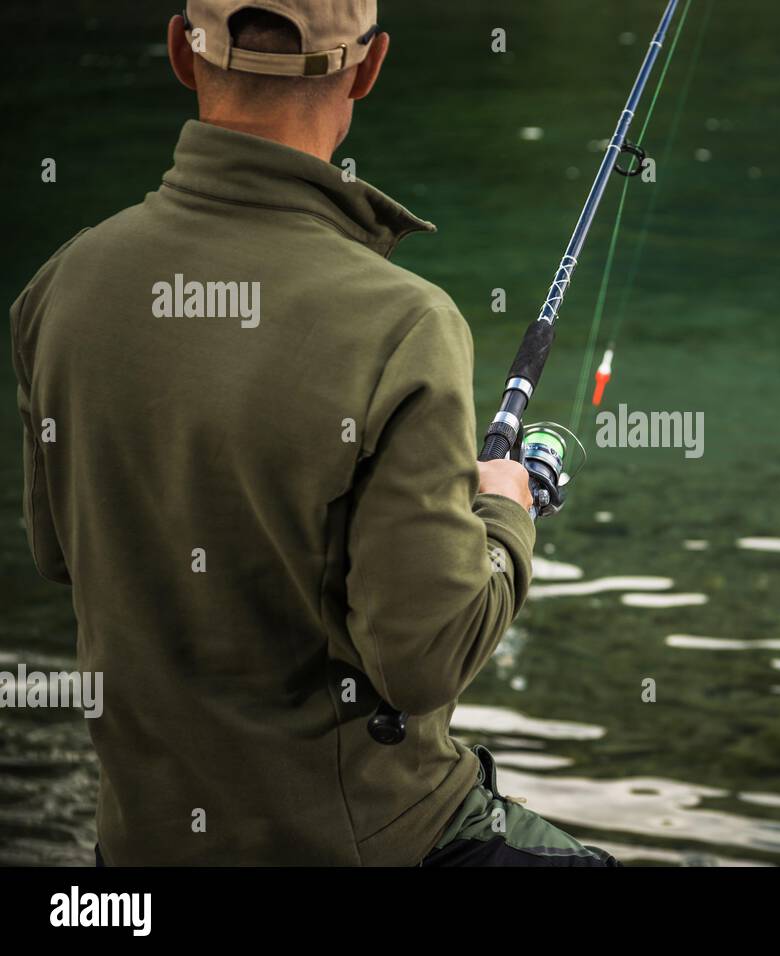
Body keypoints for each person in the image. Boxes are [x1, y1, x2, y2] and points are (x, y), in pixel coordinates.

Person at [9, 0, 618, 867]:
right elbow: (423, 659)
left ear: (182, 52)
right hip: (367, 843)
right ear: (367, 68)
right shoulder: (404, 325)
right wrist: (507, 515)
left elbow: (60, 552)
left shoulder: (59, 288)